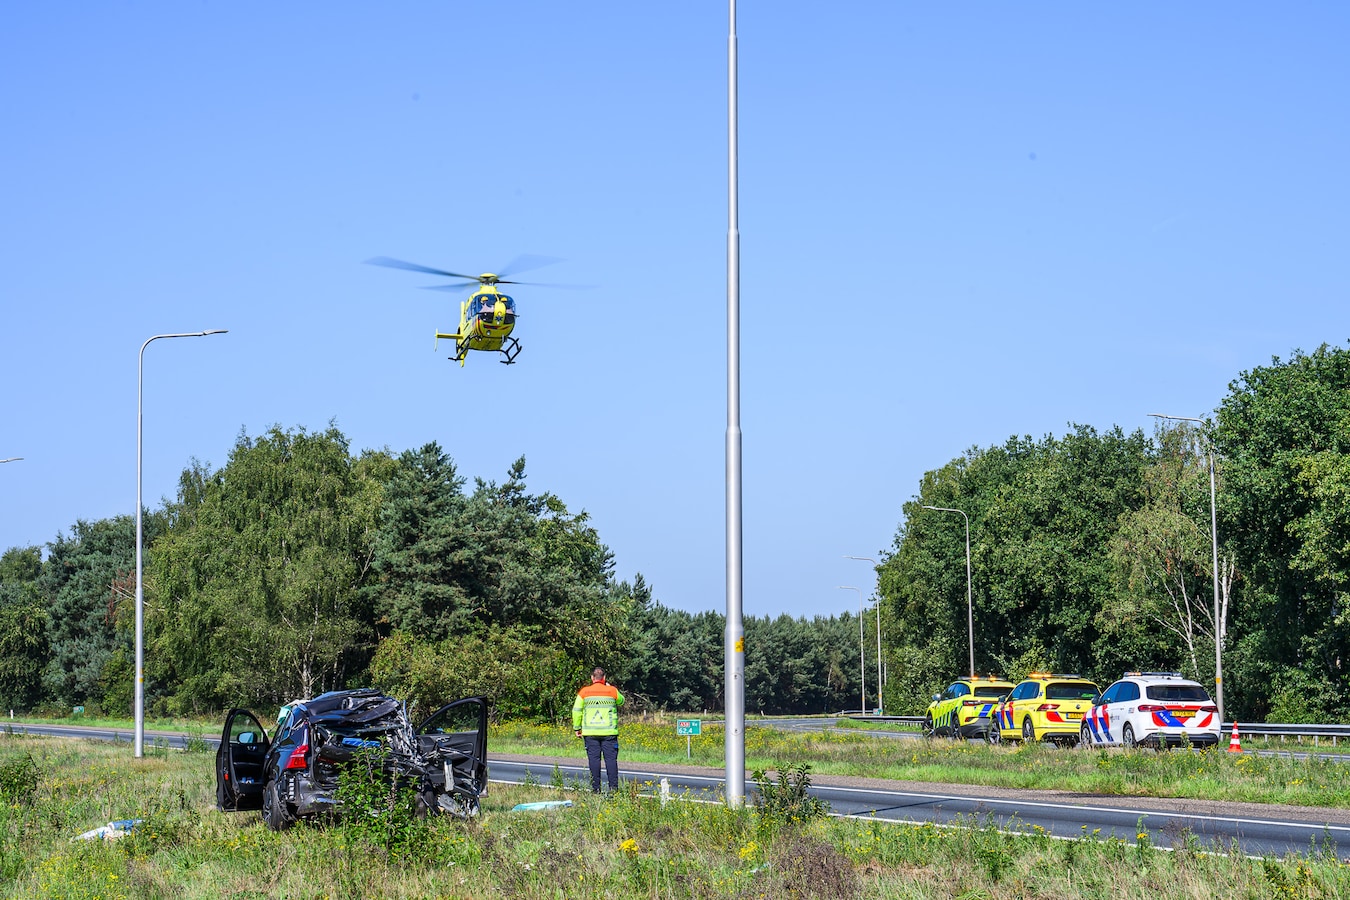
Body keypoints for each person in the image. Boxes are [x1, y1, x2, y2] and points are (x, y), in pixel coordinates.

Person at [572, 667, 624, 794]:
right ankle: (613, 790)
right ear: (604, 678)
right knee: (611, 761)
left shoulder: (584, 692)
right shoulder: (612, 691)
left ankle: (596, 790)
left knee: (594, 761)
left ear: (592, 678)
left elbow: (576, 710)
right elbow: (622, 701)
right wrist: (611, 687)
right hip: (609, 733)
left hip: (590, 733)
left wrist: (577, 728)